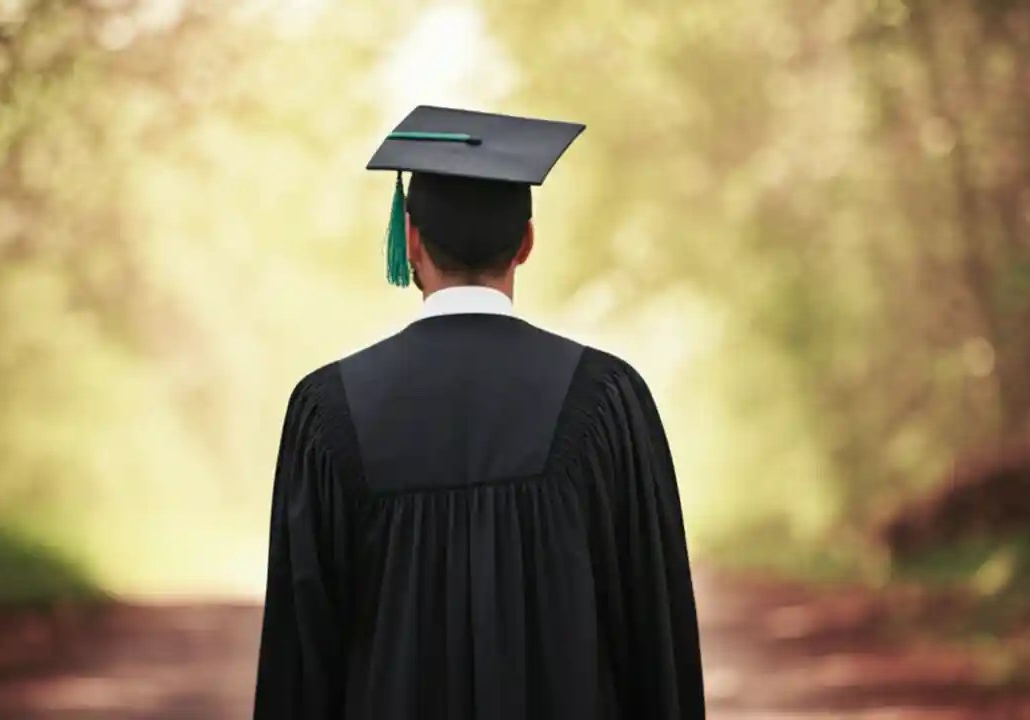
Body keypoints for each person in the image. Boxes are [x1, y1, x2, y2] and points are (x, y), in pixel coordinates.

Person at [254, 106, 705, 719]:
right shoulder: (606, 402)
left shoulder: (328, 413)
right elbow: (655, 643)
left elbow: (300, 667)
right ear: (526, 243)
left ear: (410, 240)